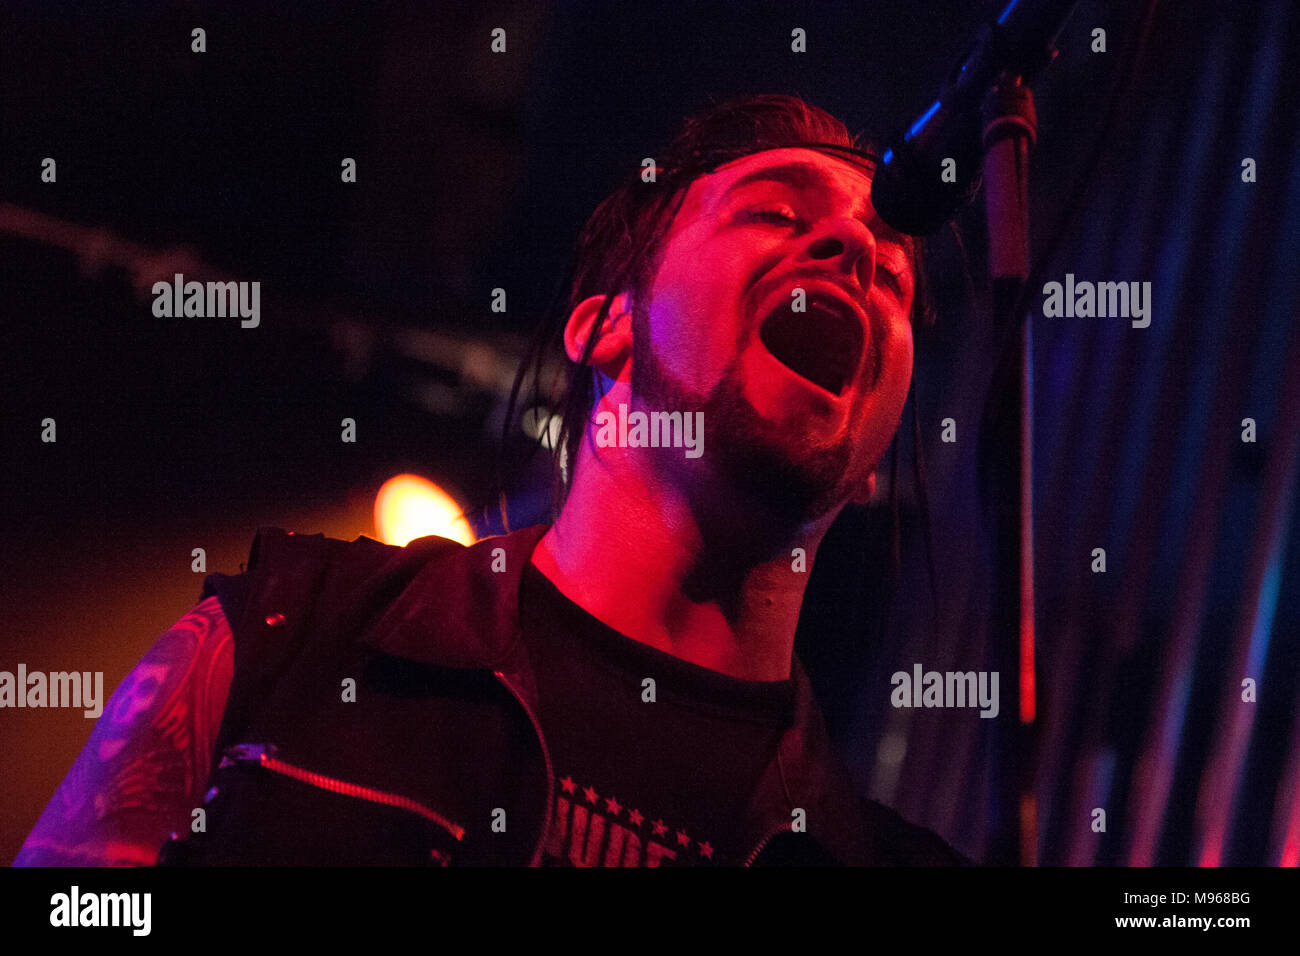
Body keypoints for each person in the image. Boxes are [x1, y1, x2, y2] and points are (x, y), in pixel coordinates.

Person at [14, 94, 970, 867]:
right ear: (606, 325)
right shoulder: (289, 634)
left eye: (891, 274)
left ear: (881, 445)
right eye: (775, 212)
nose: (853, 251)